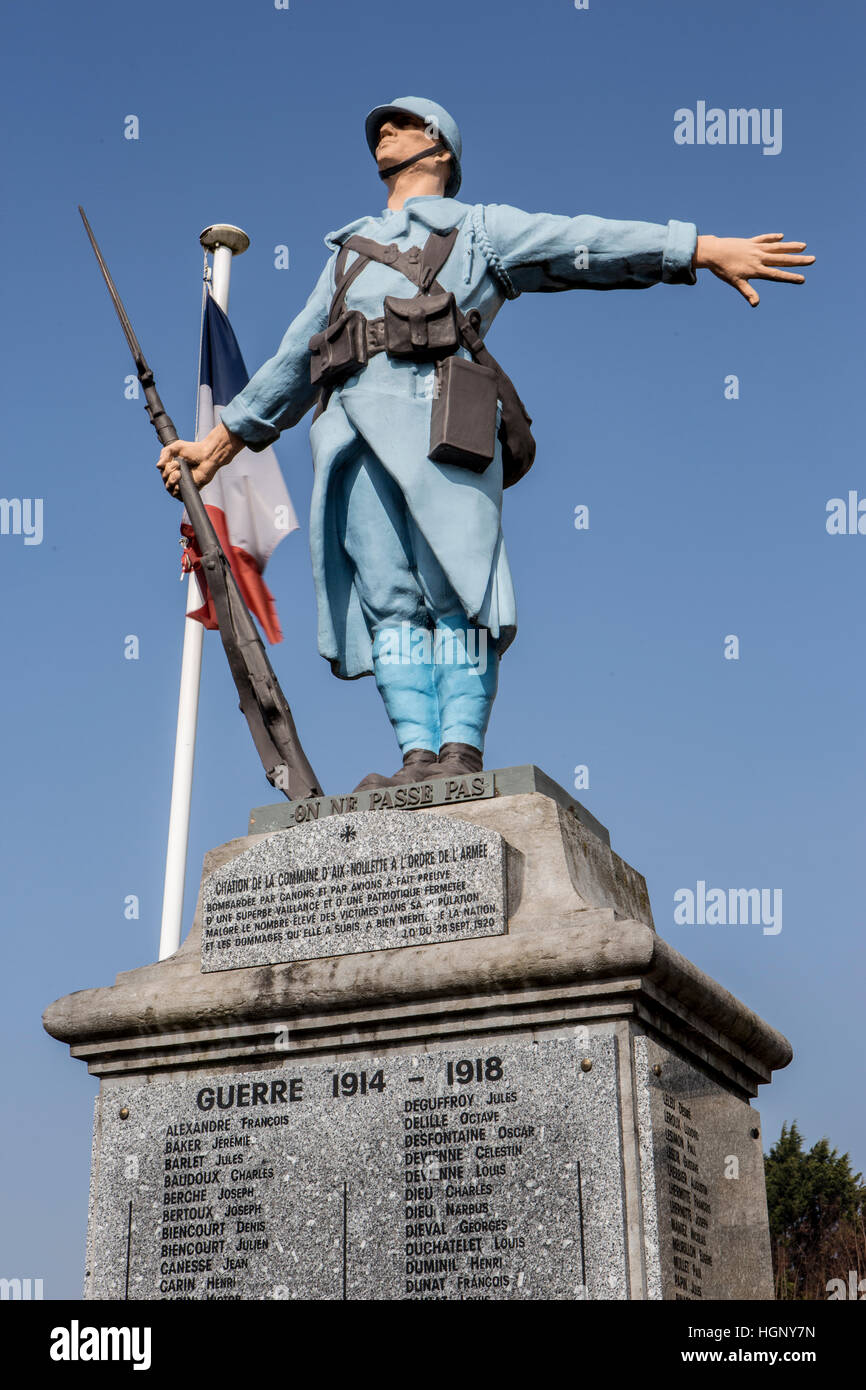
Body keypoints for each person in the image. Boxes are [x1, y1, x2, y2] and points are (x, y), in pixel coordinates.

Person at [157, 96, 814, 791]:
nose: (385, 131)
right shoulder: (347, 254)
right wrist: (219, 445)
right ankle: (417, 754)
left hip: (443, 427)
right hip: (350, 438)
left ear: (441, 150)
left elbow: (581, 243)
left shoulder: (479, 230)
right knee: (388, 599)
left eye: (405, 124)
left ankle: (460, 751)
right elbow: (295, 358)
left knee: (457, 591)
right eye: (382, 126)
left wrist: (700, 249)